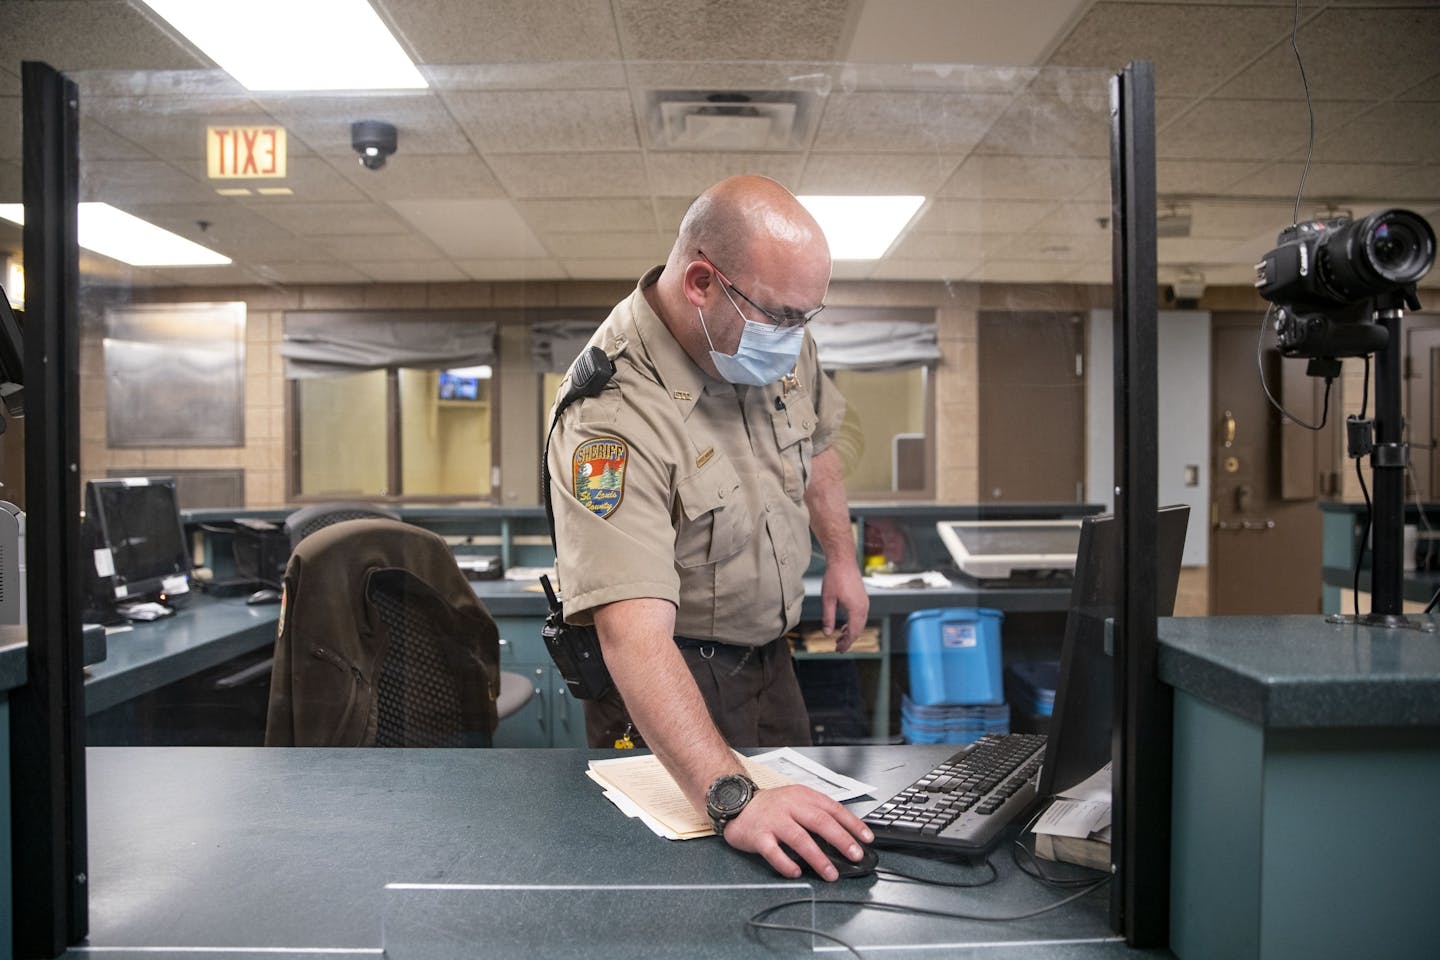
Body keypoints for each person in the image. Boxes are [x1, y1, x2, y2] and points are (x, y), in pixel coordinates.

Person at [547, 174, 872, 882]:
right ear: (700, 281)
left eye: (806, 319)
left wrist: (842, 559)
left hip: (771, 662)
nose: (794, 339)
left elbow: (816, 447)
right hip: (670, 681)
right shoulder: (609, 418)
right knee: (680, 902)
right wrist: (731, 797)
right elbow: (632, 634)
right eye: (782, 316)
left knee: (804, 869)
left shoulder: (775, 334)